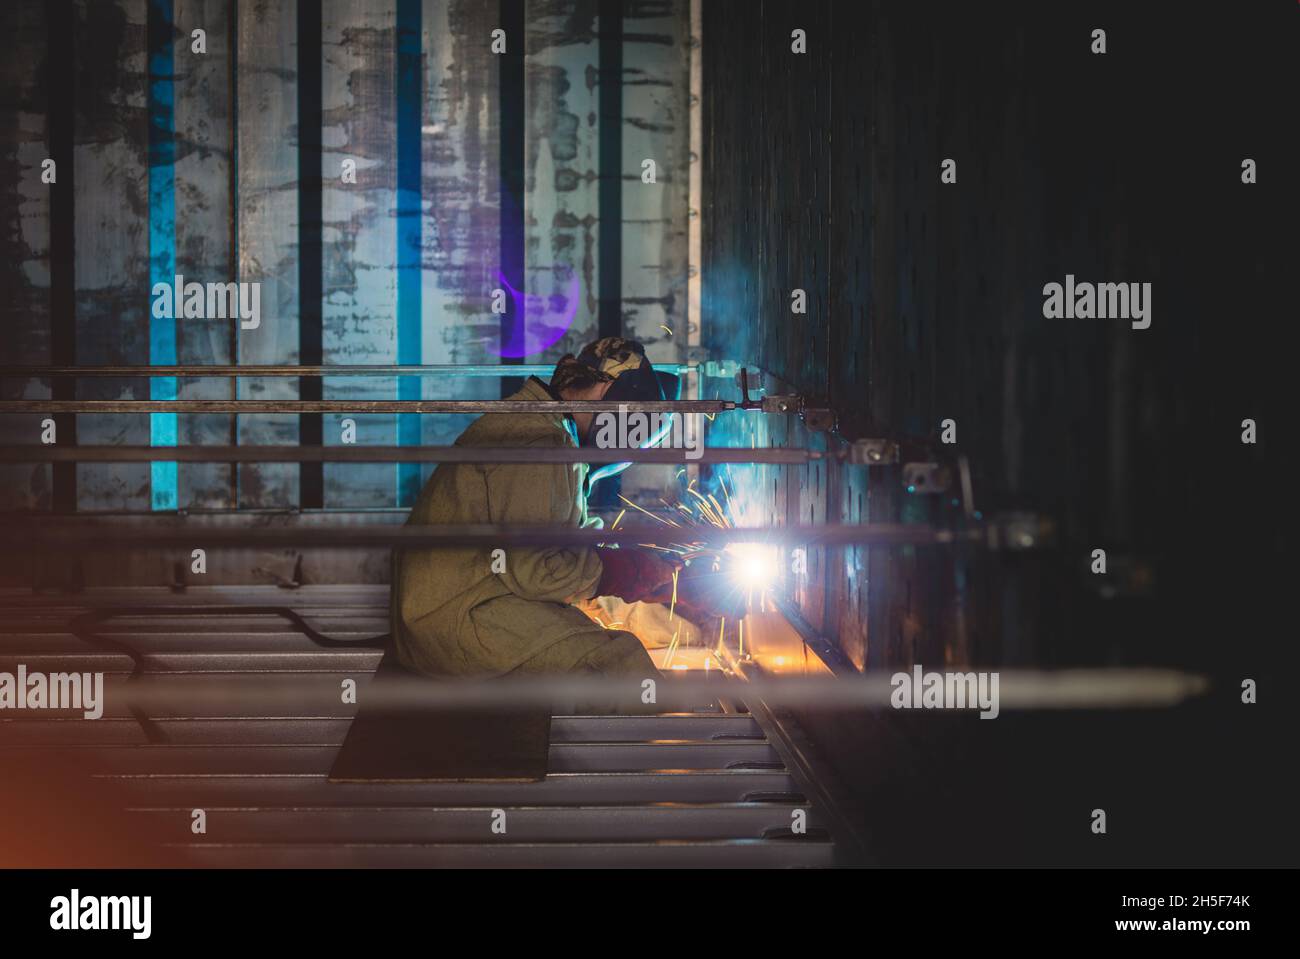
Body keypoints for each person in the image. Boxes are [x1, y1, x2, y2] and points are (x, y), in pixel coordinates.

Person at [390, 337, 680, 710]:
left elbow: (563, 545)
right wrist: (628, 571)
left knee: (616, 616)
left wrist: (649, 576)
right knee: (617, 663)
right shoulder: (540, 440)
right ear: (608, 393)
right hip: (459, 619)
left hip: (468, 599)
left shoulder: (545, 425)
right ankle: (672, 755)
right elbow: (538, 571)